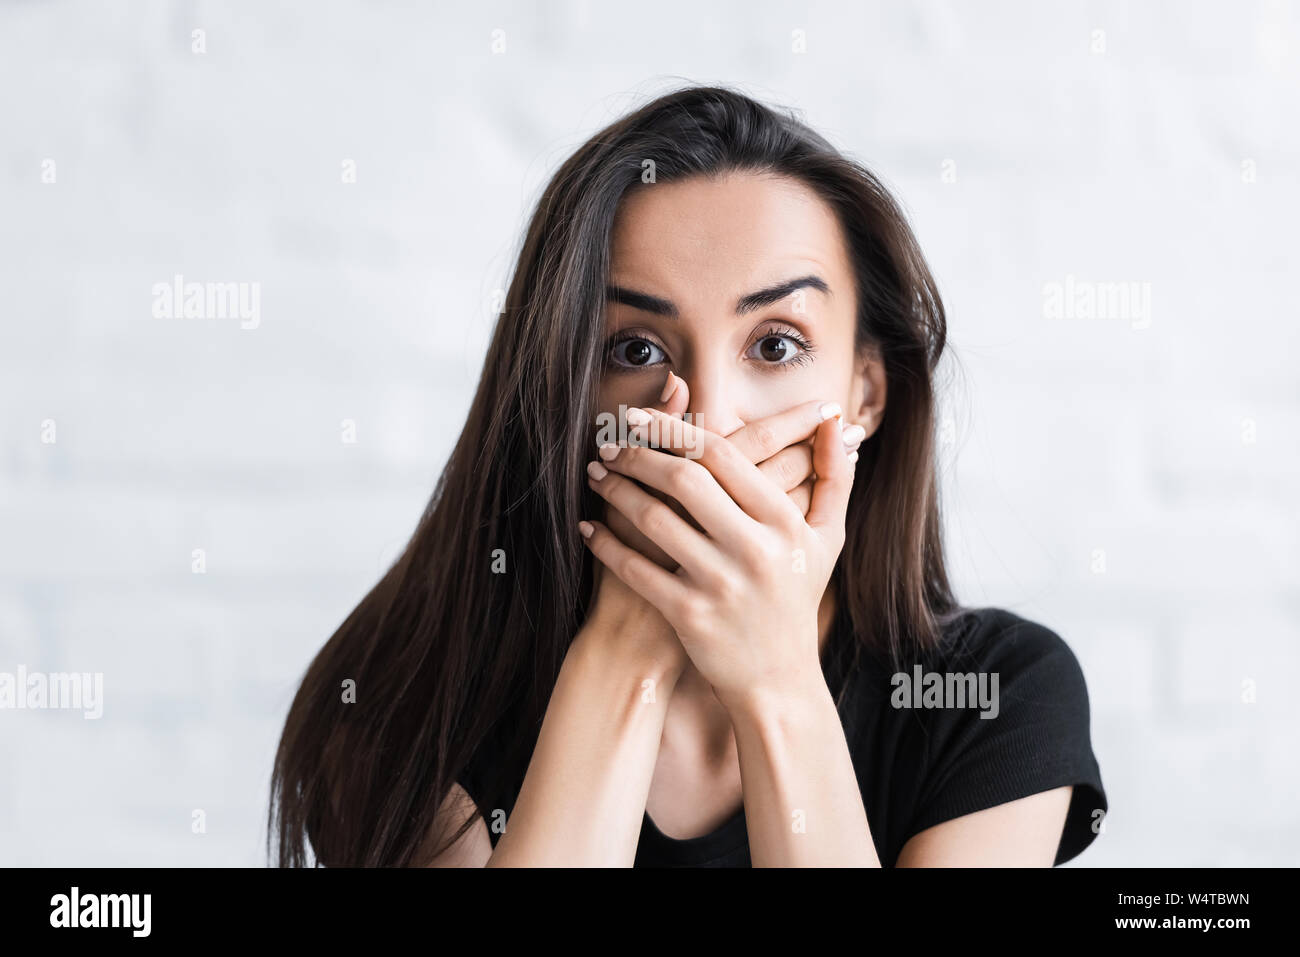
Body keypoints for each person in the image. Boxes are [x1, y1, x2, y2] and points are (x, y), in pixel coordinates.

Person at [268, 84, 1106, 868]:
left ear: (867, 394)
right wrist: (628, 649)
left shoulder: (993, 696)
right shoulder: (398, 704)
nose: (705, 420)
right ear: (565, 394)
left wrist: (775, 677)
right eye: (637, 351)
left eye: (775, 345)